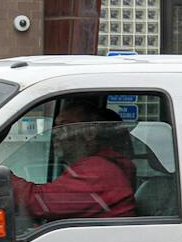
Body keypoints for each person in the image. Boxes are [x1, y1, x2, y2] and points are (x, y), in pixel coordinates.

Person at [10, 96, 133, 225]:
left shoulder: (99, 170)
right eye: (55, 127)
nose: (54, 133)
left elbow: (38, 202)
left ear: (90, 133)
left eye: (63, 126)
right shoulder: (95, 167)